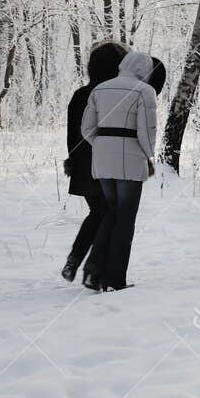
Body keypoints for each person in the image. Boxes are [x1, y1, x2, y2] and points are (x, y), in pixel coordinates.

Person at [80, 50, 159, 291]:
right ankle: (113, 279)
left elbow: (87, 129)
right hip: (131, 160)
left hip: (102, 159)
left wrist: (102, 145)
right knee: (124, 219)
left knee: (110, 213)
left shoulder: (99, 89)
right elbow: (147, 130)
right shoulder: (145, 91)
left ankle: (94, 272)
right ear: (144, 70)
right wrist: (148, 155)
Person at [62, 41, 128, 286]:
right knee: (110, 214)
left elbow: (71, 133)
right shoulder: (114, 96)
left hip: (82, 165)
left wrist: (73, 160)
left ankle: (75, 261)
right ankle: (92, 269)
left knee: (99, 212)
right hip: (106, 164)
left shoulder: (80, 94)